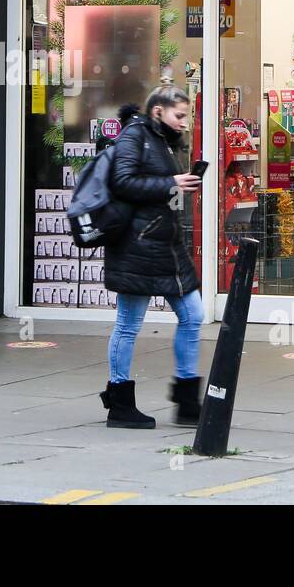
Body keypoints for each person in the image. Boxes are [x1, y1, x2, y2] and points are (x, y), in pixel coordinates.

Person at [100, 84, 204, 429]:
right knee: (128, 324)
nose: (184, 122)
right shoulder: (134, 135)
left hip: (166, 245)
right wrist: (170, 182)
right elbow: (123, 181)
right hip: (137, 246)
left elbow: (161, 186)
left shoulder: (163, 140)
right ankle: (119, 403)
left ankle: (187, 398)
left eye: (186, 116)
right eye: (179, 115)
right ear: (158, 111)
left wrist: (177, 182)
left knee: (193, 314)